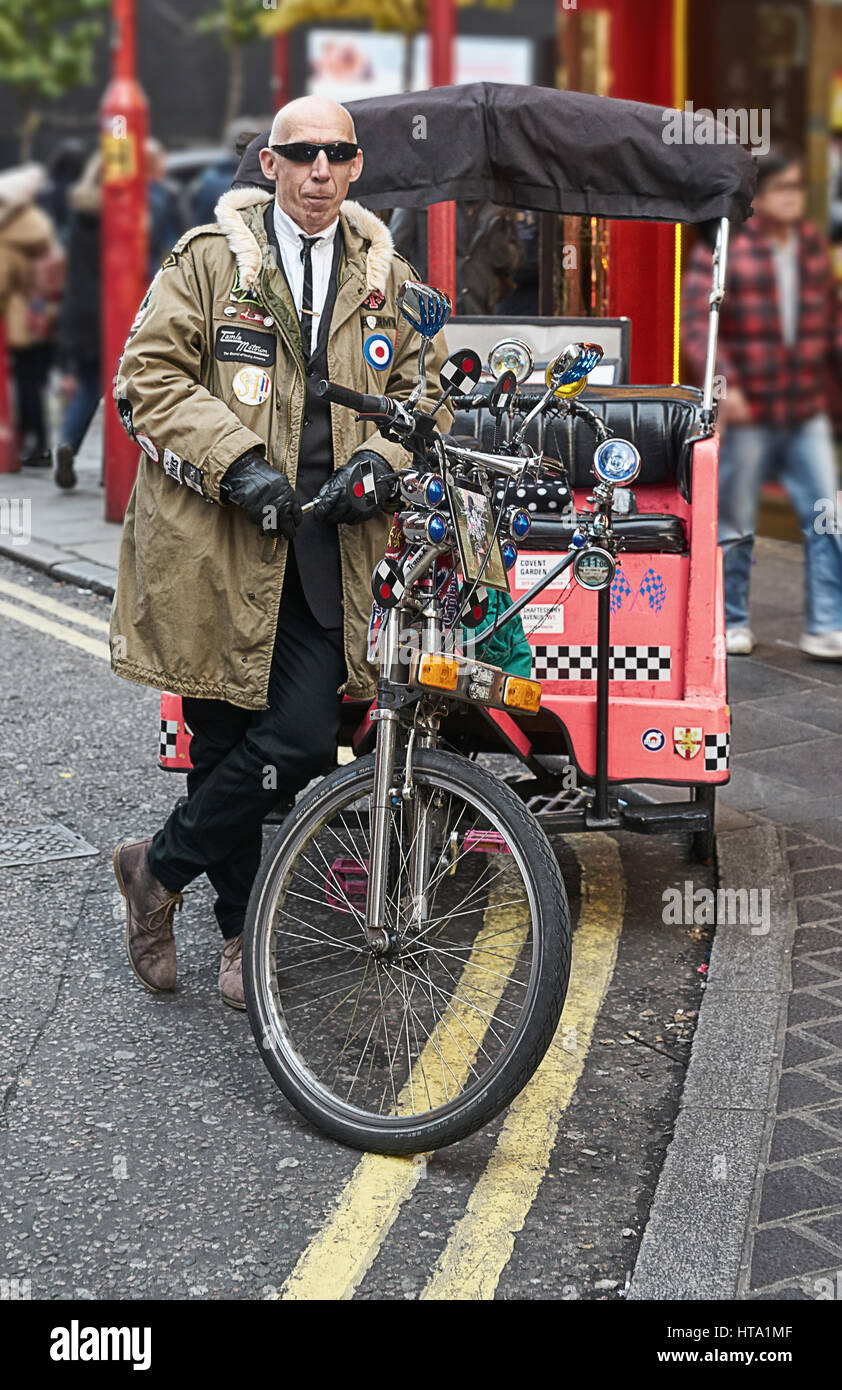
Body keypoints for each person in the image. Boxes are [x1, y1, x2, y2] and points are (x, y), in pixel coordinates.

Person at [110, 95, 451, 1009]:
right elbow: (145, 379)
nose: (319, 173)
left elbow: (427, 397)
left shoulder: (387, 278)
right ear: (269, 164)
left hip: (322, 553)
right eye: (301, 155)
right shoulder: (210, 261)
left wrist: (378, 467)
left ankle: (157, 866)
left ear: (356, 165)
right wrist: (242, 466)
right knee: (224, 745)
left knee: (297, 741)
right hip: (212, 547)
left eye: (337, 155)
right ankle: (237, 938)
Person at [682, 147, 842, 659]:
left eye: (799, 187)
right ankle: (731, 622)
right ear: (761, 196)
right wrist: (730, 388)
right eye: (784, 188)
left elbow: (831, 321)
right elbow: (697, 327)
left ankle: (825, 624)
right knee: (735, 523)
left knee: (826, 515)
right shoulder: (726, 249)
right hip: (749, 415)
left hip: (804, 410)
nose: (795, 197)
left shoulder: (812, 248)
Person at [0, 164, 63, 468]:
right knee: (36, 382)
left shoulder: (8, 235)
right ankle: (40, 442)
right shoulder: (38, 225)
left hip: (18, 316)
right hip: (44, 313)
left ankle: (32, 443)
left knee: (24, 383)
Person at [53, 152, 102, 490]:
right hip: (105, 312)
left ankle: (67, 443)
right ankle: (109, 469)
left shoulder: (79, 210)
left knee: (89, 385)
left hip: (76, 311)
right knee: (113, 389)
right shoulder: (115, 214)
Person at [389, 201, 521, 315]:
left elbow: (510, 263)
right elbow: (392, 255)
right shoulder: (418, 199)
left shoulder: (497, 206)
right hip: (427, 311)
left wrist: (499, 240)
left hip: (479, 309)